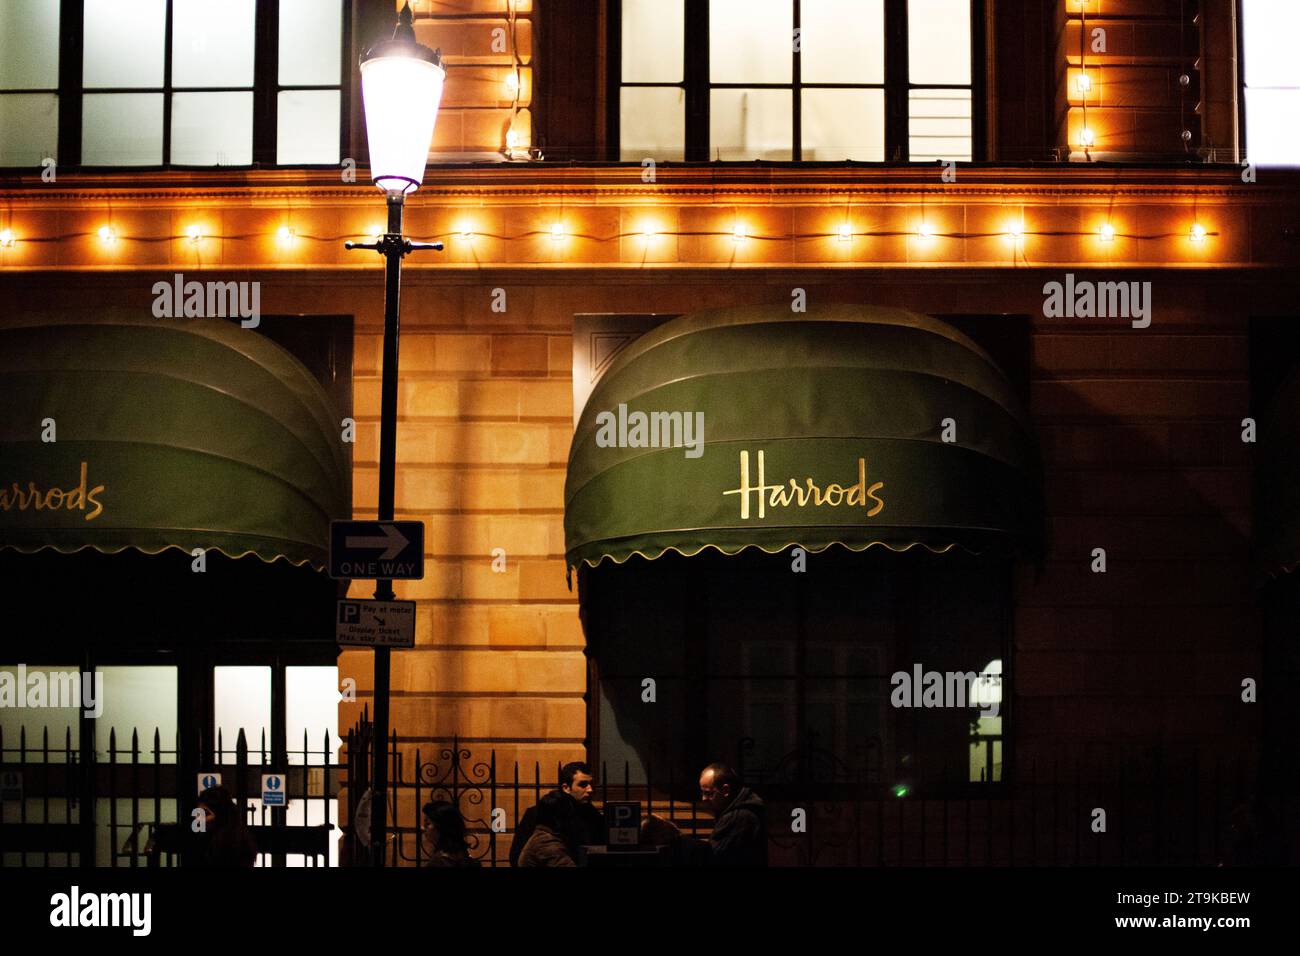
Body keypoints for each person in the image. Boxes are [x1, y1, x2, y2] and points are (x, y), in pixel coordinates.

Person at [509, 761, 604, 866]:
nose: (590, 789)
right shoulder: (540, 813)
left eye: (591, 784)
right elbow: (517, 854)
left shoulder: (592, 814)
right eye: (583, 784)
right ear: (566, 788)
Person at [698, 763, 767, 867]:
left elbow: (713, 856)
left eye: (709, 793)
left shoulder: (739, 816)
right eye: (702, 793)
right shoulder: (742, 809)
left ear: (725, 790)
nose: (704, 798)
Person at [191, 785, 258, 868]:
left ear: (221, 816)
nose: (198, 819)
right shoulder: (242, 838)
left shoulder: (222, 843)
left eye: (205, 813)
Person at [517, 791, 578, 867]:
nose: (575, 821)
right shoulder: (548, 844)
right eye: (571, 816)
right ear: (560, 819)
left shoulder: (542, 836)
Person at [422, 800, 480, 868]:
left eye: (427, 824)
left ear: (442, 827)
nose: (422, 828)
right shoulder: (462, 855)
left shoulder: (440, 862)